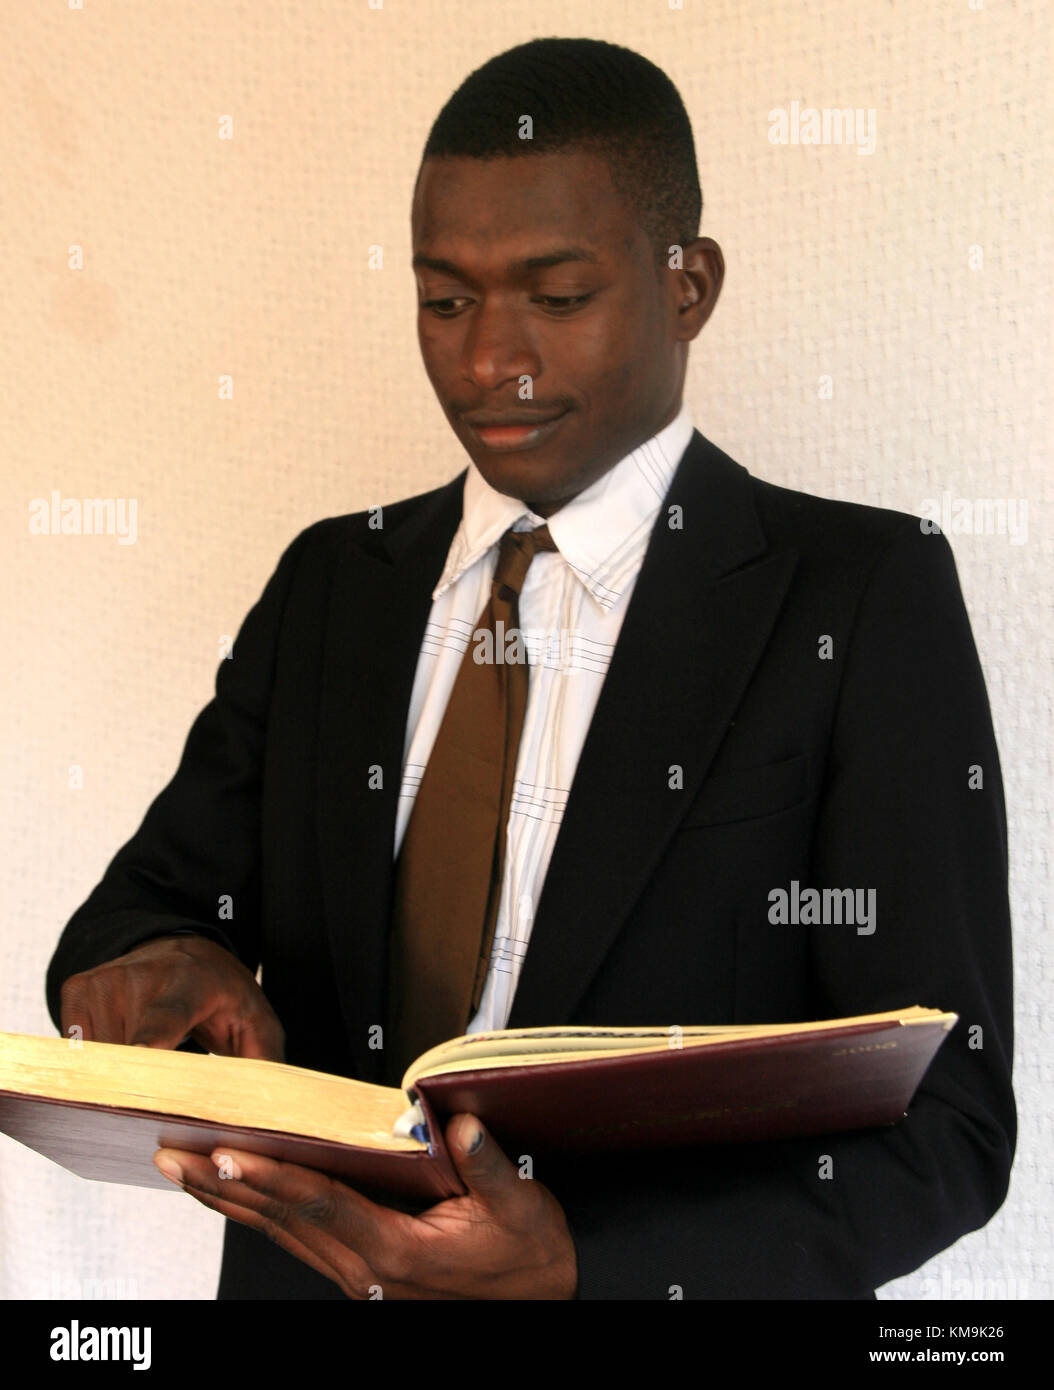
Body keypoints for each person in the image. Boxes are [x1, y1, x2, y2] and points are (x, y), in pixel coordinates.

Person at [46, 37, 1015, 1300]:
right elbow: (132, 919)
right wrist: (163, 967)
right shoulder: (333, 586)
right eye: (445, 300)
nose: (487, 358)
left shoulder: (859, 597)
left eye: (556, 299)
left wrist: (584, 1269)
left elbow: (947, 1130)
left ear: (689, 286)